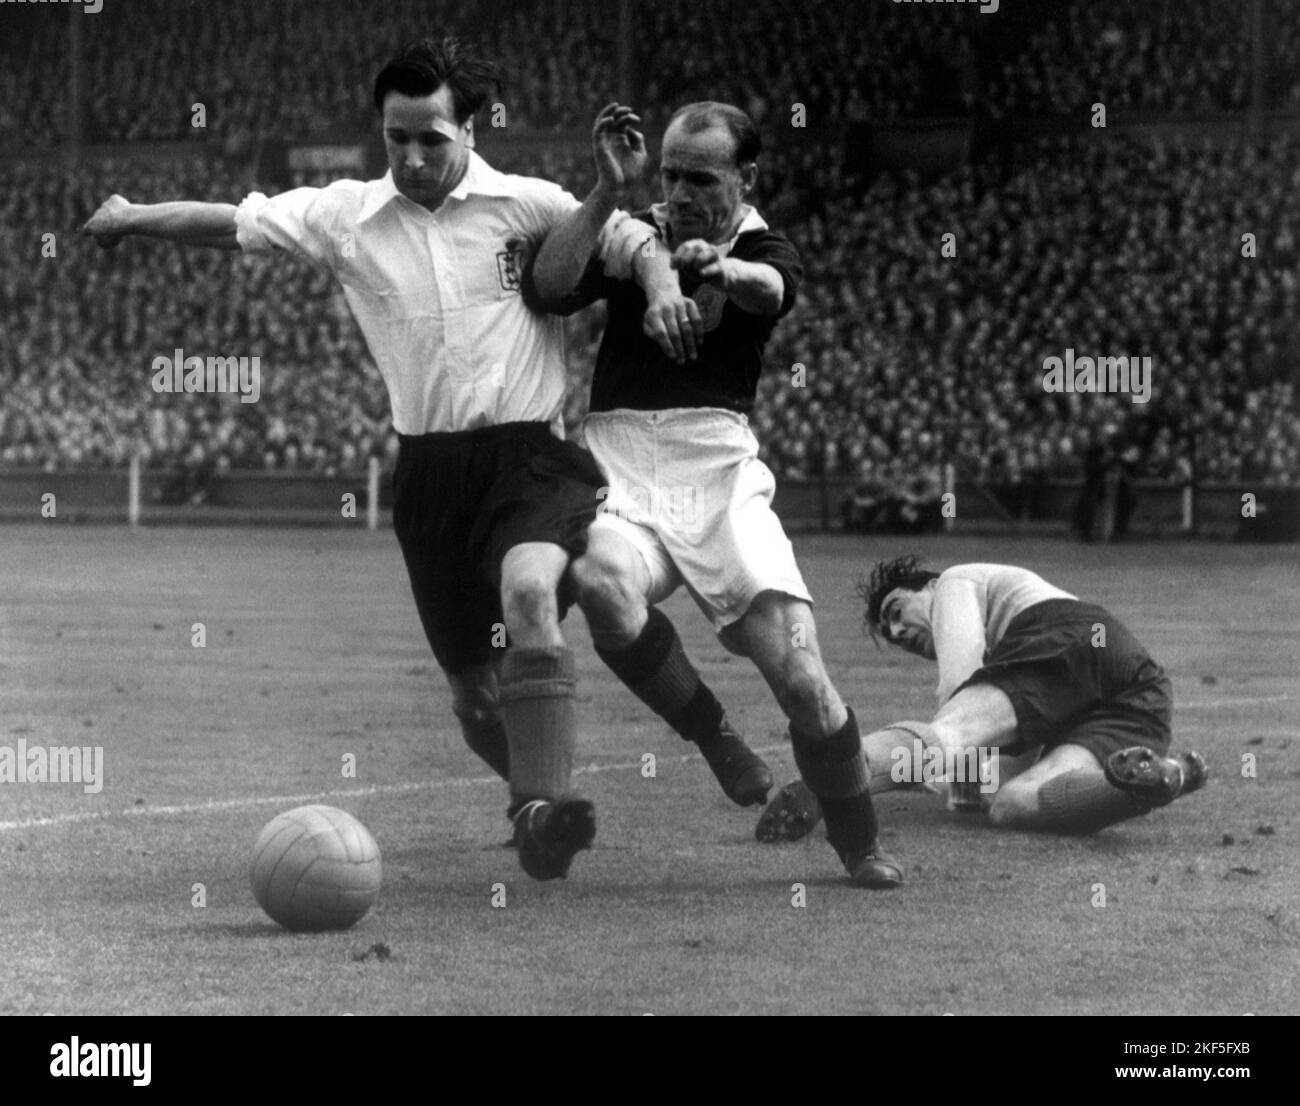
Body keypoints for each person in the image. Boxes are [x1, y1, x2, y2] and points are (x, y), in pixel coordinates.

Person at [83, 37, 698, 882]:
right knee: (474, 699)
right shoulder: (347, 215)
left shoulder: (528, 203)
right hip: (430, 477)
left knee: (528, 591)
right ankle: (531, 809)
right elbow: (231, 223)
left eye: (431, 139)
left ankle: (555, 812)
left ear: (470, 132)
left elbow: (632, 243)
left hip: (530, 459)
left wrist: (664, 287)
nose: (411, 157)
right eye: (396, 138)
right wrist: (130, 216)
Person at [525, 102, 901, 888]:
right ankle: (716, 737)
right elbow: (551, 285)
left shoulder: (764, 245)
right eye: (669, 174)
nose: (681, 191)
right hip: (619, 457)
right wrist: (607, 191)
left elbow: (770, 289)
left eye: (701, 177)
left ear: (746, 178)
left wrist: (720, 268)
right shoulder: (634, 231)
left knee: (801, 676)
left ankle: (858, 842)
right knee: (601, 582)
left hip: (717, 466)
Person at [755, 556, 1207, 841]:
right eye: (890, 636)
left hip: (1069, 636)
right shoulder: (1012, 665)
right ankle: (1161, 778)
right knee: (1015, 803)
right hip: (1138, 693)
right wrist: (967, 784)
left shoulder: (955, 581)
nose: (896, 632)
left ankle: (824, 784)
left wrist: (954, 777)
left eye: (896, 611)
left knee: (952, 732)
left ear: (928, 587)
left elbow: (957, 690)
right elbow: (1001, 771)